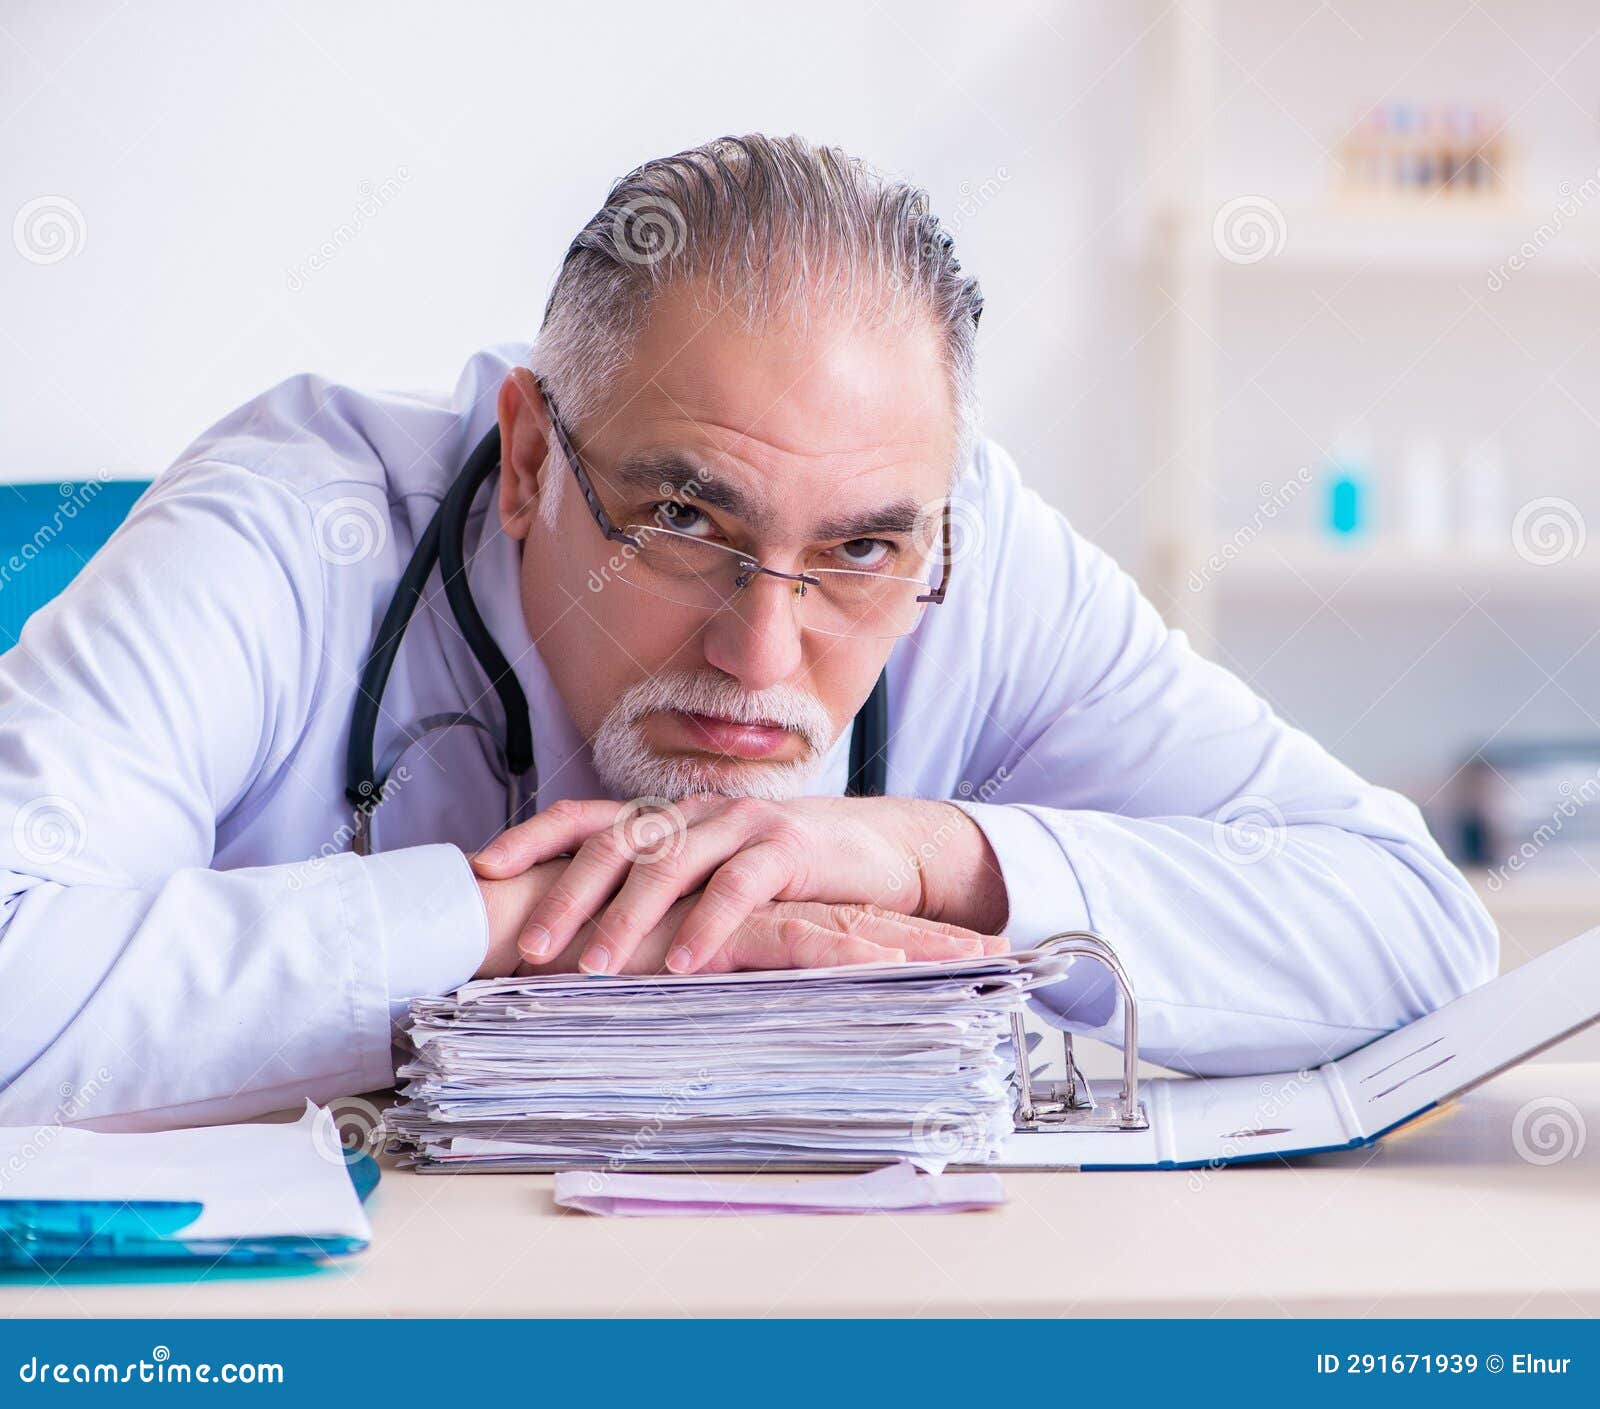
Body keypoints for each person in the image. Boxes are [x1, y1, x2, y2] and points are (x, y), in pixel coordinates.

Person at [0, 134, 1495, 1130]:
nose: (766, 660)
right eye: (688, 523)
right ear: (527, 461)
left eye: (857, 552)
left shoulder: (975, 546)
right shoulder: (293, 524)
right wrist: (539, 927)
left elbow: (1413, 927)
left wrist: (933, 857)